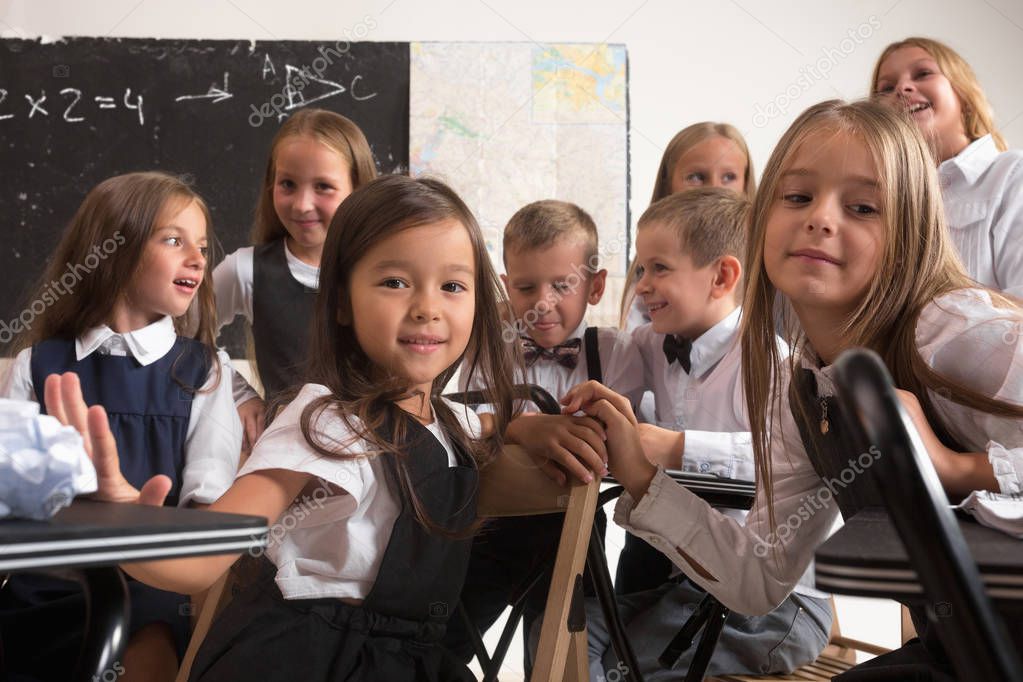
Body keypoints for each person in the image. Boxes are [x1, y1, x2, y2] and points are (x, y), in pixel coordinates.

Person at [564, 99, 1023, 680]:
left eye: (862, 207)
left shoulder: (958, 336)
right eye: (798, 197)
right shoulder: (805, 389)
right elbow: (757, 578)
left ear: (909, 231)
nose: (820, 219)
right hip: (970, 651)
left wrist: (961, 470)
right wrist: (639, 475)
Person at [42, 174, 518, 681]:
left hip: (412, 662)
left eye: (452, 286)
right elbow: (206, 556)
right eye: (395, 282)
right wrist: (117, 521)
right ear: (340, 302)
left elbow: (484, 428)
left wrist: (529, 430)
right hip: (307, 659)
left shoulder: (454, 421)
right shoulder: (330, 420)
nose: (427, 307)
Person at [0, 171, 243, 682]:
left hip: (150, 590)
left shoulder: (204, 372)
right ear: (113, 250)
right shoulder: (35, 365)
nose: (198, 259)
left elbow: (207, 513)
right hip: (41, 590)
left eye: (201, 245)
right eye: (174, 240)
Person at [446, 199, 642, 667]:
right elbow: (473, 433)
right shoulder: (485, 350)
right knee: (445, 638)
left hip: (574, 538)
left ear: (595, 287)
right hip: (493, 528)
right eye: (526, 286)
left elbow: (625, 441)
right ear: (504, 286)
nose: (542, 302)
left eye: (562, 285)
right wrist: (519, 428)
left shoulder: (617, 351)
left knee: (560, 655)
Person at [213, 108, 378, 446]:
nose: (302, 205)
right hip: (283, 454)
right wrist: (239, 393)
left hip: (373, 453)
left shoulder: (386, 273)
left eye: (324, 187)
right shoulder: (245, 269)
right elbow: (181, 335)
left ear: (358, 190)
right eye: (288, 184)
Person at [871, 37, 1023, 296]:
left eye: (923, 73)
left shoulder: (1011, 175)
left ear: (963, 94)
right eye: (886, 88)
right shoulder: (877, 199)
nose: (902, 88)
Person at [621, 122, 756, 331]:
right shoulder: (647, 279)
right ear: (669, 184)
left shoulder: (774, 269)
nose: (714, 188)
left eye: (729, 177)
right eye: (696, 177)